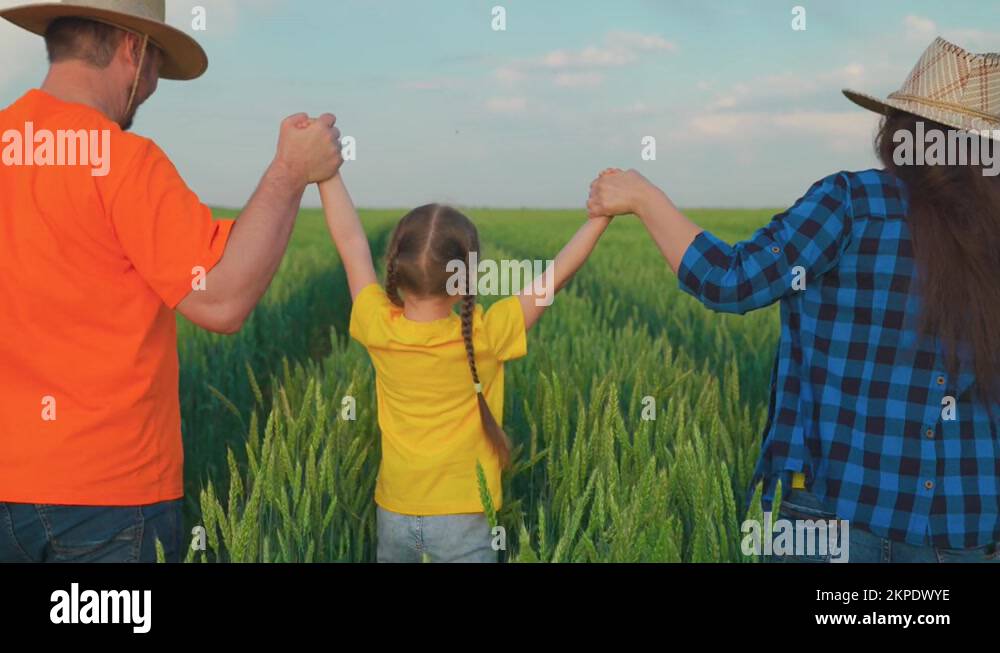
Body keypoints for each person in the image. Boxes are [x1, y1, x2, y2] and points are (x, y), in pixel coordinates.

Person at [587, 37, 1000, 563]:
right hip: (966, 530)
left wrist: (643, 197)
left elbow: (731, 279)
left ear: (900, 130)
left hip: (831, 520)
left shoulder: (852, 203)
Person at [0, 0, 343, 563]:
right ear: (133, 51)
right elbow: (221, 300)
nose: (153, 81)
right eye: (157, 61)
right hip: (104, 501)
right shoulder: (121, 162)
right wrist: (289, 173)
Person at [318, 172, 614, 562]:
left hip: (394, 509)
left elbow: (352, 245)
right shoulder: (487, 335)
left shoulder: (378, 327)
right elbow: (553, 278)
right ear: (466, 278)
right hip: (465, 515)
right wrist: (601, 218)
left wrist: (327, 174)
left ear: (395, 267)